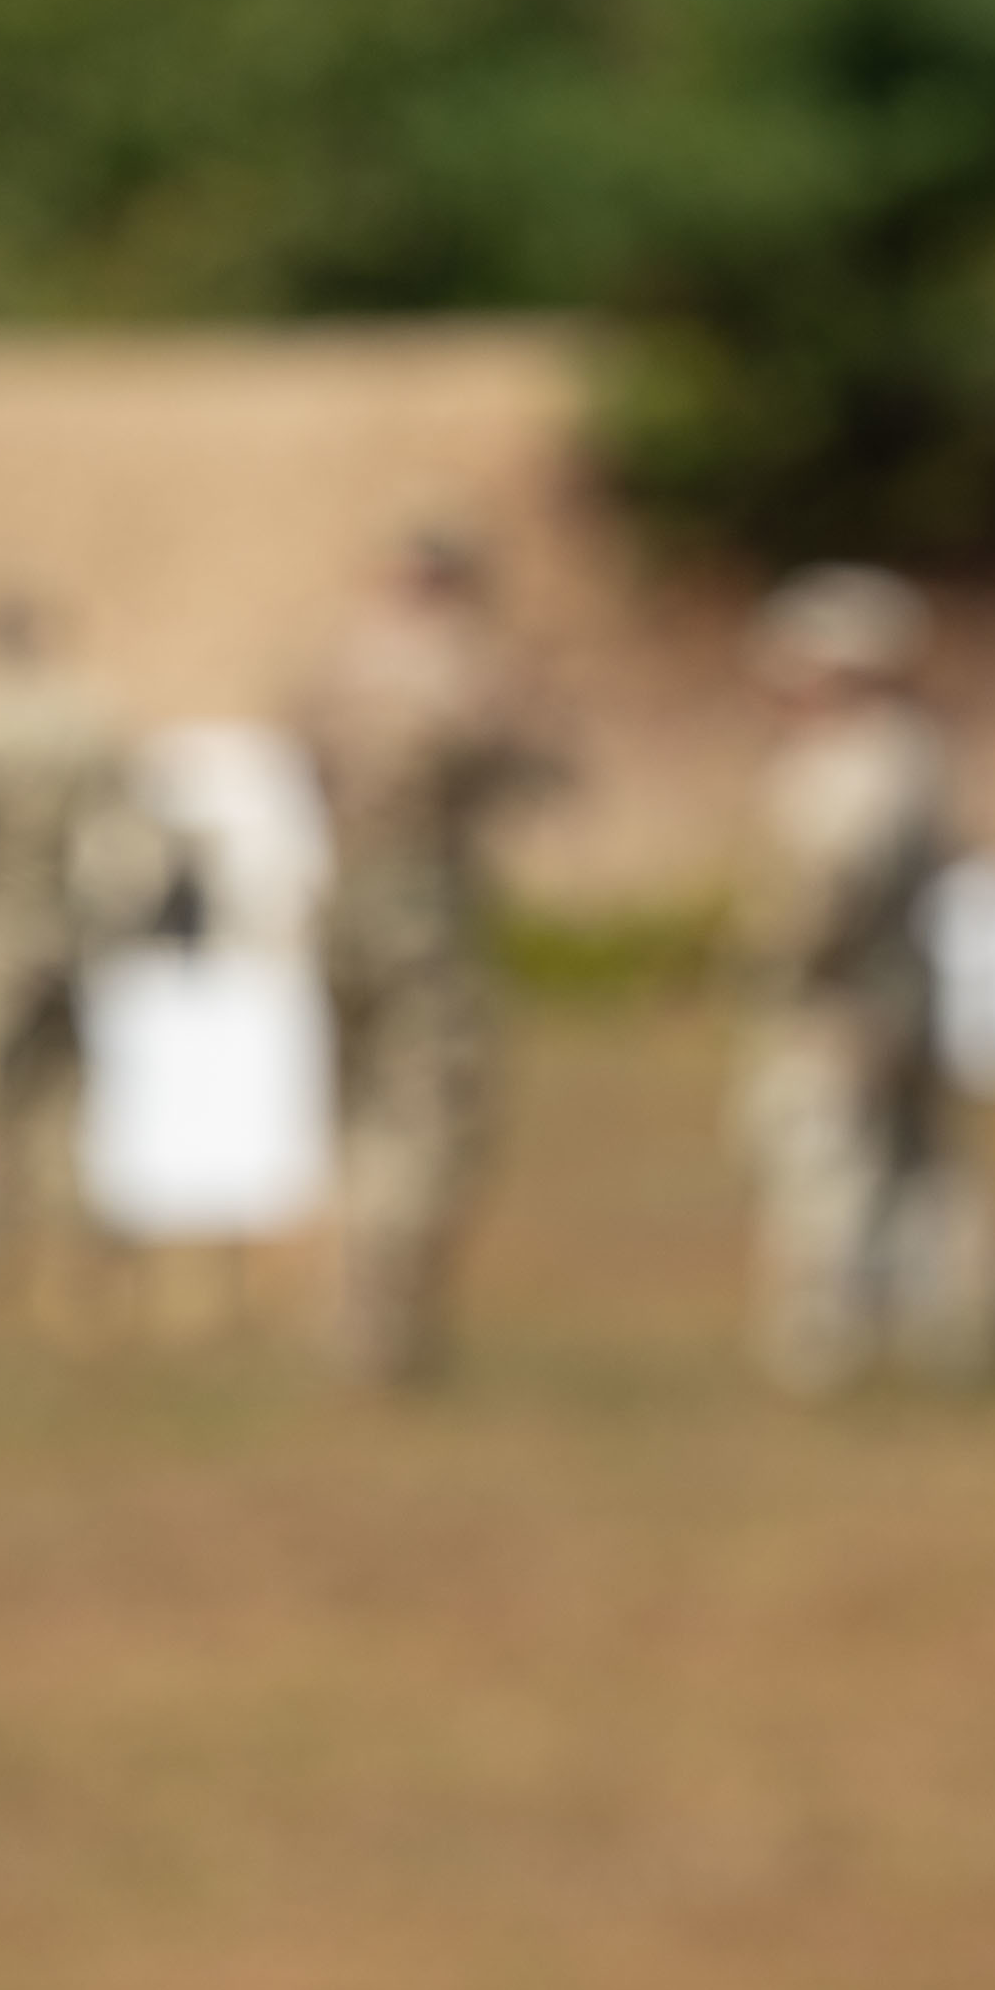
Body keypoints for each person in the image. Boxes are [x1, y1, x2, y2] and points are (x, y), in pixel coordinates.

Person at [730, 563, 995, 1391]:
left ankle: (830, 1344)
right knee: (908, 1170)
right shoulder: (903, 753)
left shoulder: (865, 761)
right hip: (888, 991)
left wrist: (781, 955)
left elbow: (832, 886)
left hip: (842, 1000)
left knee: (831, 1167)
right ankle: (946, 1334)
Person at [302, 526, 557, 1383]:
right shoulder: (466, 665)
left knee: (361, 1112)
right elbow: (531, 770)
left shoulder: (338, 656)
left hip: (343, 899)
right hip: (426, 909)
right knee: (430, 1122)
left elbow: (305, 758)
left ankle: (350, 1310)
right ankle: (385, 1328)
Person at [0, 591, 144, 1313]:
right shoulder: (86, 718)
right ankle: (69, 1241)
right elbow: (121, 823)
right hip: (62, 928)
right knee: (60, 1094)